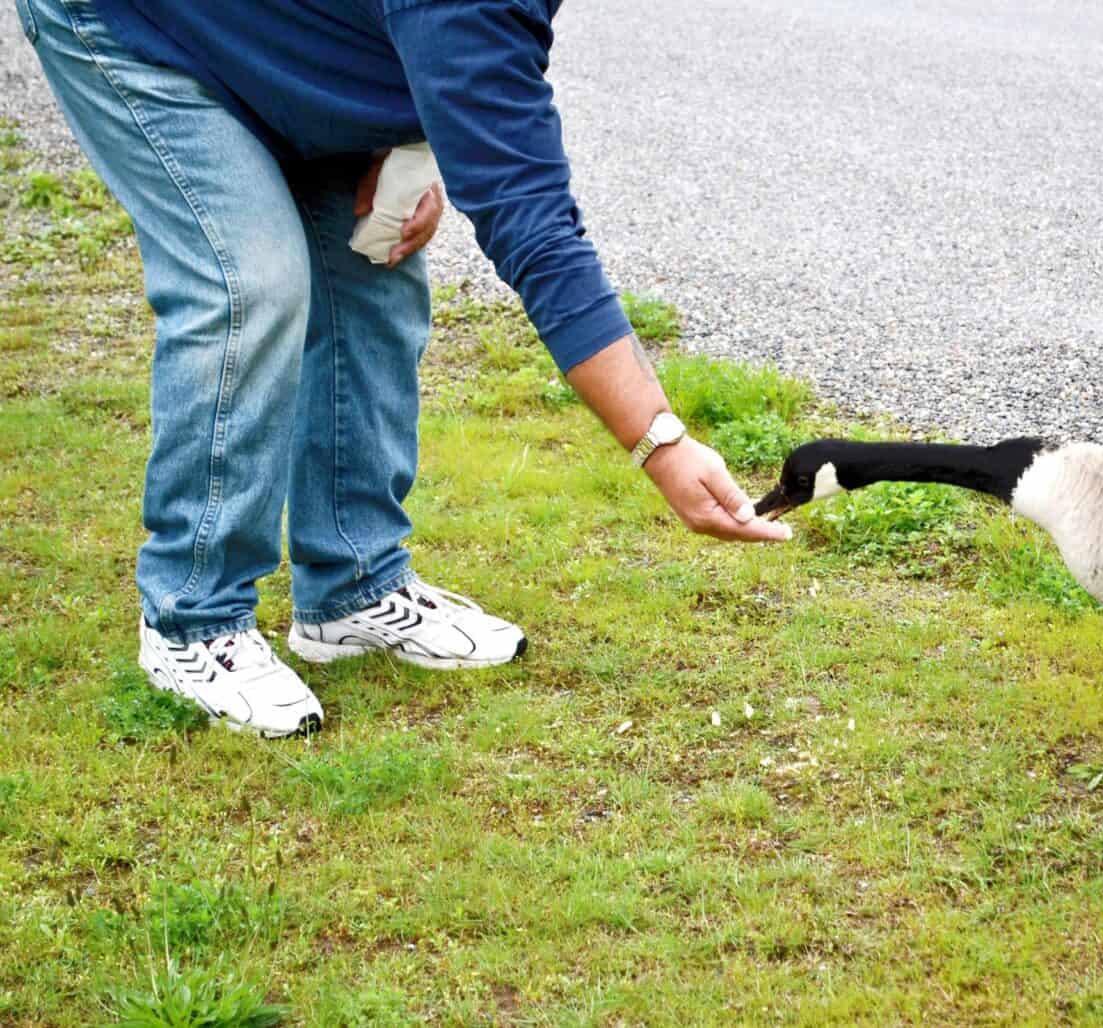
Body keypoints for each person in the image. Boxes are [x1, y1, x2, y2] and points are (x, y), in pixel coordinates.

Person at [16, 0, 792, 738]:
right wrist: (659, 441)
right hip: (133, 24)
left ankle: (352, 587)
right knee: (250, 280)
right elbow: (531, 221)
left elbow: (453, 60)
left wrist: (409, 139)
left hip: (268, 34)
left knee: (374, 256)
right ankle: (193, 620)